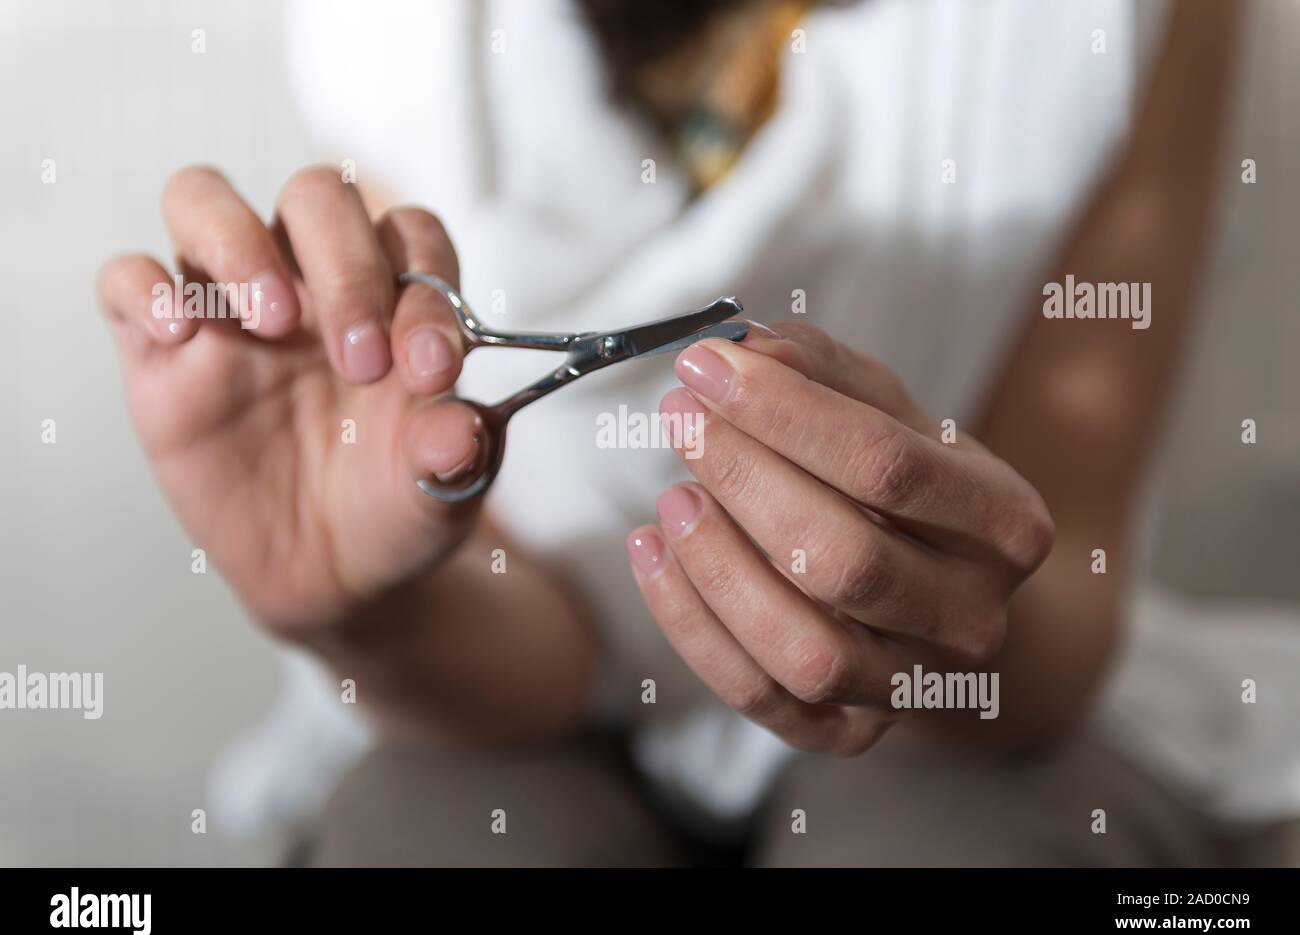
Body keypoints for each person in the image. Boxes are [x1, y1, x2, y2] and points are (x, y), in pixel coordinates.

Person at [97, 0, 1291, 866]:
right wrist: (349, 611)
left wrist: (933, 616)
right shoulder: (402, 32)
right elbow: (535, 657)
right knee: (442, 838)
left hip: (969, 736)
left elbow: (1062, 592)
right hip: (505, 694)